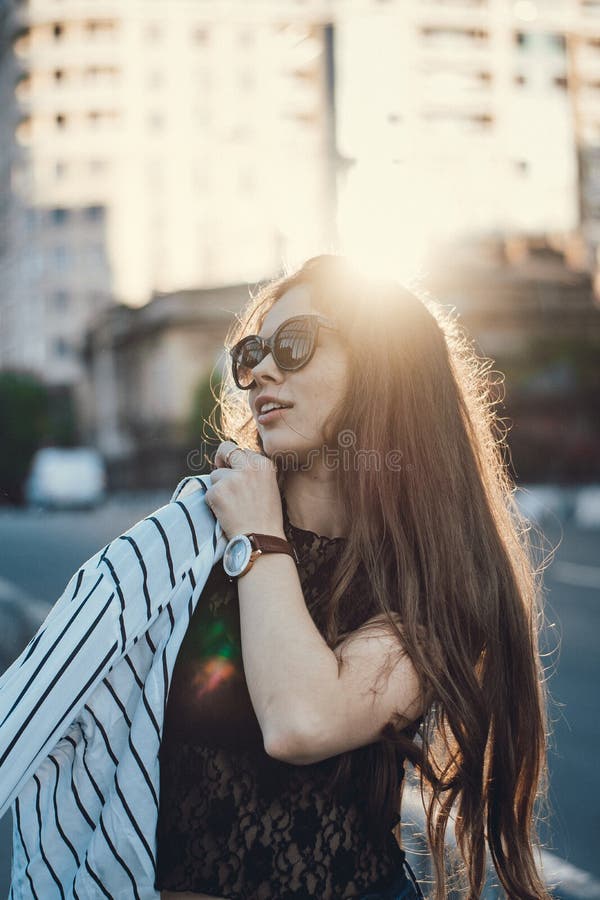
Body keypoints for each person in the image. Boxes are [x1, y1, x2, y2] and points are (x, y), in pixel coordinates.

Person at [156, 255, 551, 900]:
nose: (259, 370)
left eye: (295, 343)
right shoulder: (199, 531)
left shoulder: (434, 581)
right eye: (252, 351)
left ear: (381, 365)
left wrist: (260, 539)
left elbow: (302, 723)